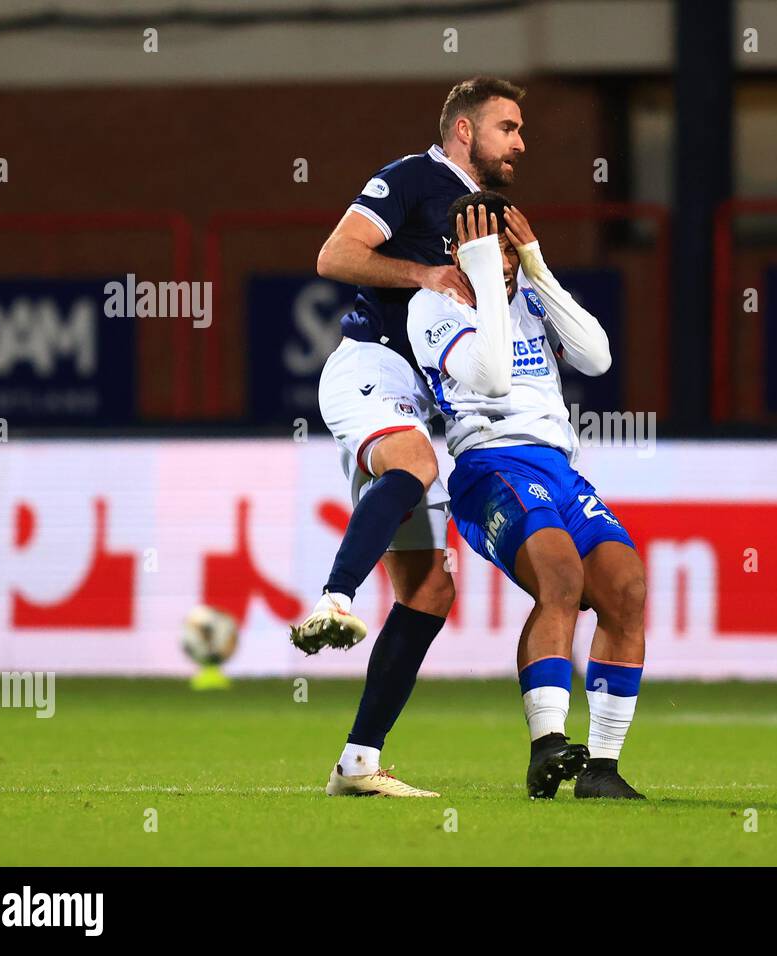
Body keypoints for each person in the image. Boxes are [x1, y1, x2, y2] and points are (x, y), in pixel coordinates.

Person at [291, 77, 526, 798]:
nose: (521, 142)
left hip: (420, 398)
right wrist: (425, 272)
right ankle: (334, 597)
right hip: (370, 366)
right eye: (508, 128)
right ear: (464, 131)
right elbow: (335, 256)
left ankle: (358, 763)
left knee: (429, 591)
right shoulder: (414, 177)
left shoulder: (491, 216)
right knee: (415, 463)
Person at [408, 193, 648, 800]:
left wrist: (539, 267)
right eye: (491, 246)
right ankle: (547, 746)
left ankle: (601, 768)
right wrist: (485, 274)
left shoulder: (532, 296)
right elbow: (490, 377)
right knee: (560, 576)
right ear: (456, 248)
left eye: (510, 245)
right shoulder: (431, 308)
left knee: (625, 587)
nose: (504, 258)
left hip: (559, 465)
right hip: (490, 464)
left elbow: (597, 357)